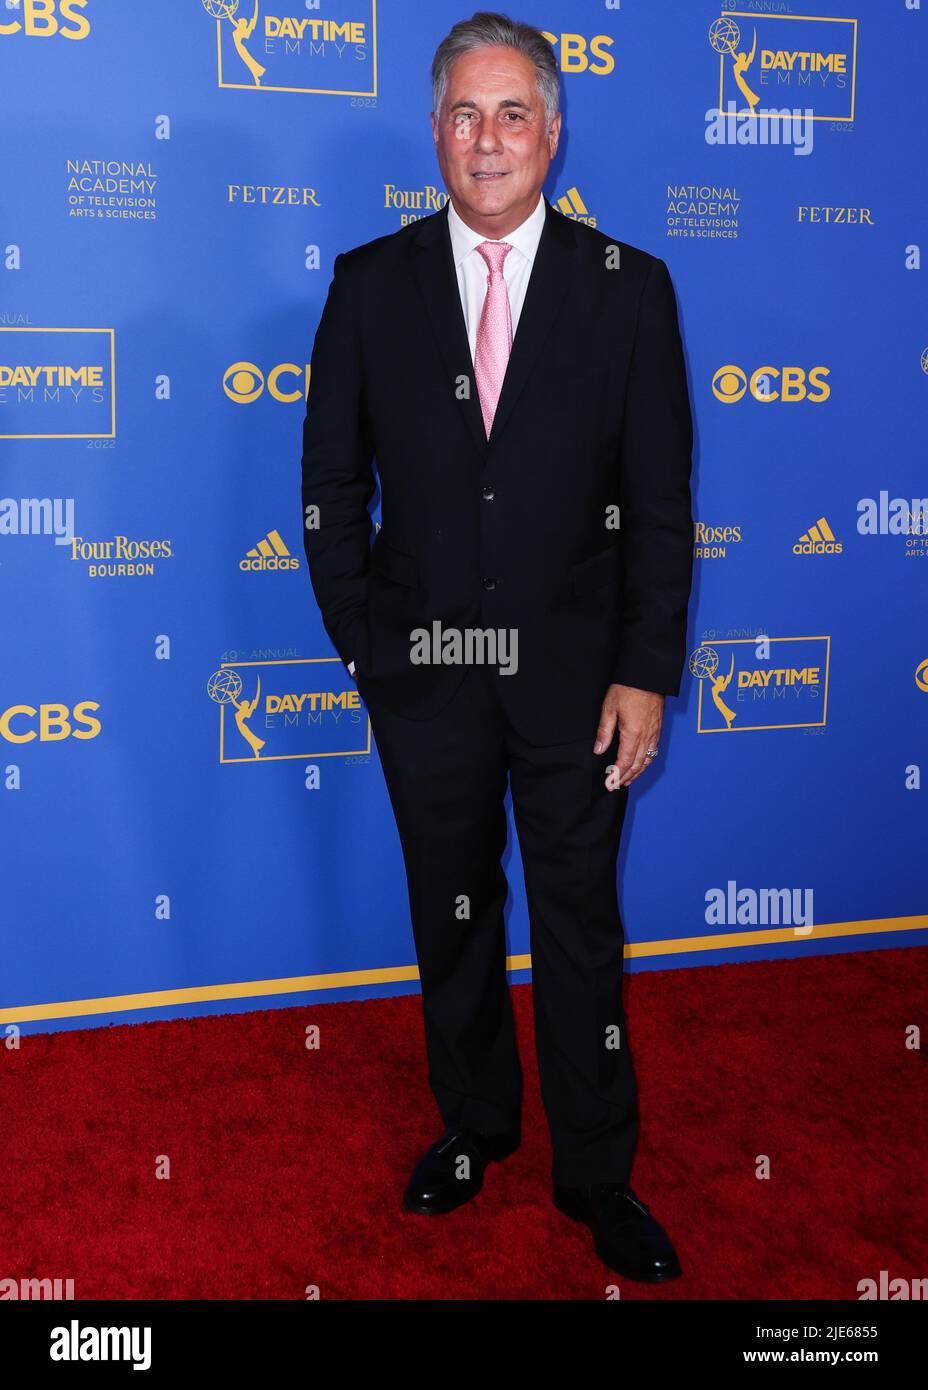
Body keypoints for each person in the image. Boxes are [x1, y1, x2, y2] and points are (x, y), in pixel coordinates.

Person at [301, 10, 694, 1284]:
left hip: (579, 684)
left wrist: (645, 670)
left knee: (580, 922)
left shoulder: (629, 290)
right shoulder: (369, 284)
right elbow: (326, 488)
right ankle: (474, 1123)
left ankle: (595, 1170)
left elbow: (664, 502)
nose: (486, 141)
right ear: (433, 132)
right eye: (463, 116)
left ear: (553, 131)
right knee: (452, 911)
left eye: (509, 113)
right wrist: (370, 649)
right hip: (426, 677)